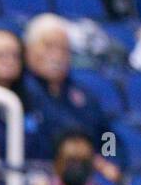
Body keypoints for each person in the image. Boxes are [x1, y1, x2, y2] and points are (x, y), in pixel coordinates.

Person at [22, 14, 113, 170]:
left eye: (64, 49)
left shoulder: (84, 96)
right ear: (28, 49)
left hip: (83, 178)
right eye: (49, 46)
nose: (57, 55)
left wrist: (109, 159)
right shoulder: (19, 90)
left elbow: (107, 135)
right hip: (37, 175)